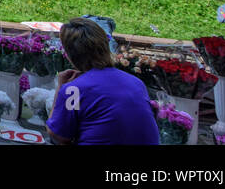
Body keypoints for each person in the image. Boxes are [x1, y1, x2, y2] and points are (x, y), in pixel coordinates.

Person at [45, 17, 158, 145]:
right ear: (106, 45)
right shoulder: (137, 83)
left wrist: (60, 87)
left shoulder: (74, 89)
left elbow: (57, 134)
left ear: (70, 54)